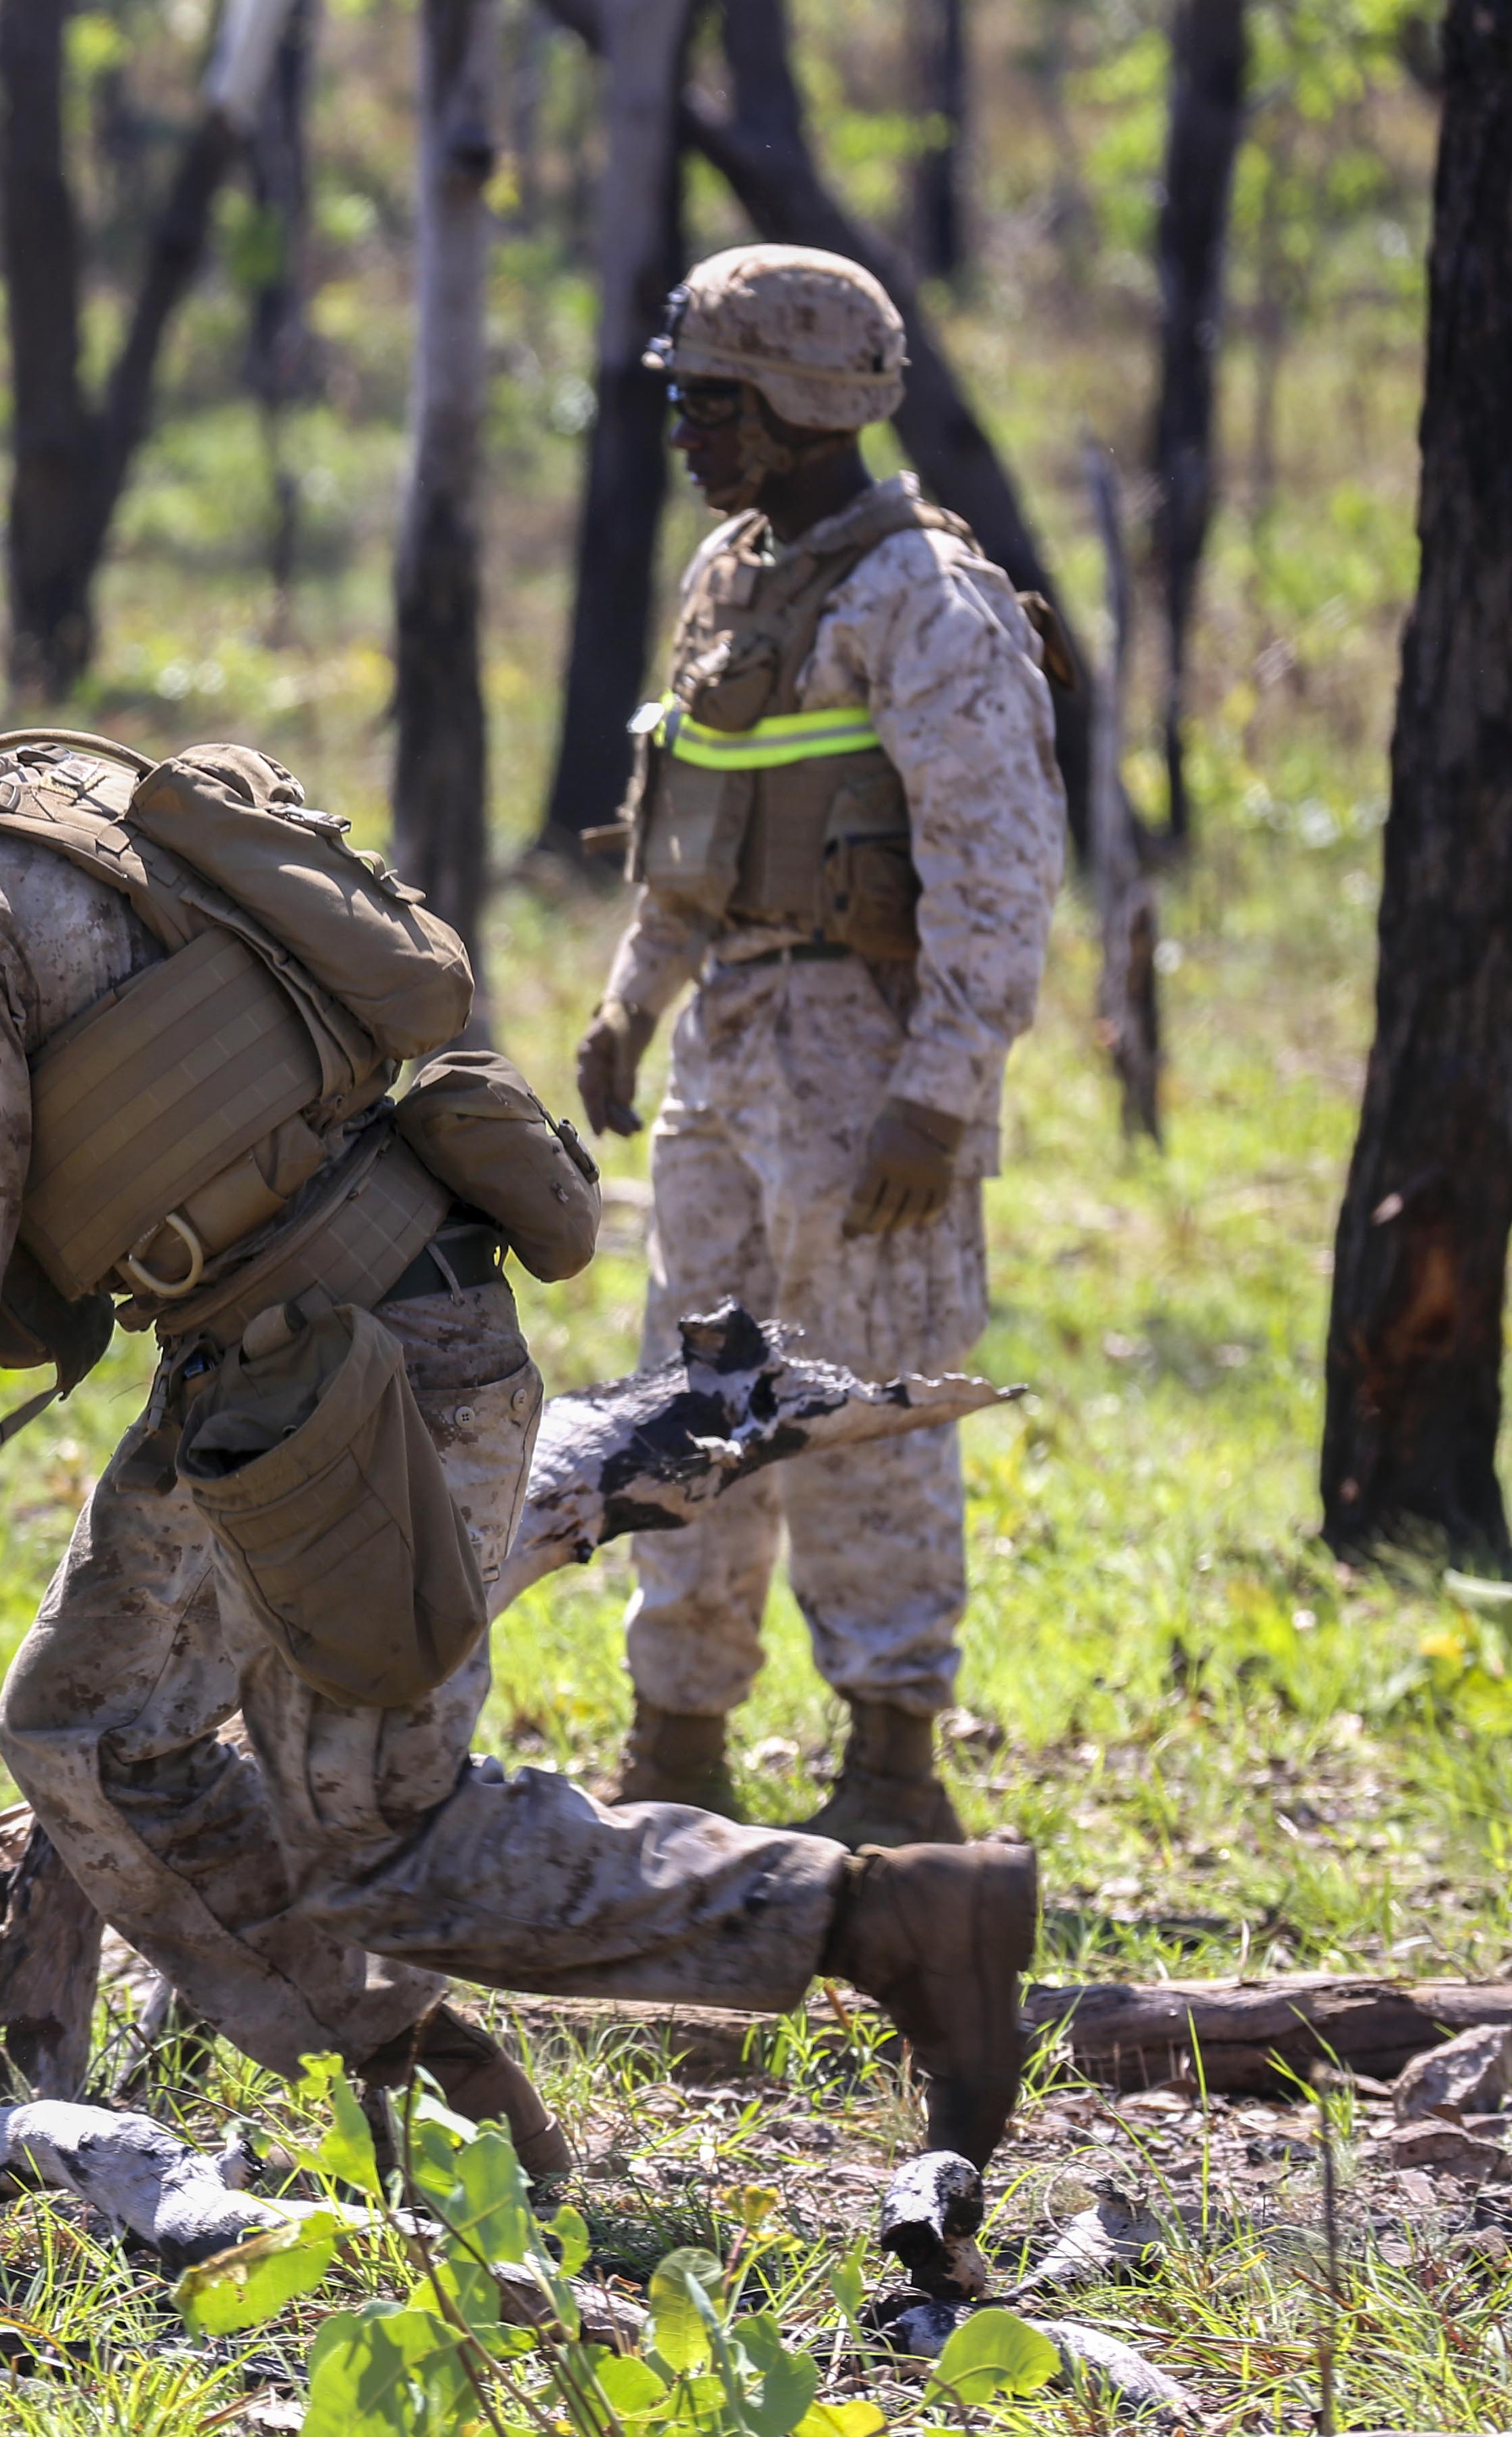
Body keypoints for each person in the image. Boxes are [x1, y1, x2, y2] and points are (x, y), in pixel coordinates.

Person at [0, 558, 1042, 2169]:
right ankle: (394, 2066)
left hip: (357, 1369)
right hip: (294, 1353)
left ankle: (881, 1920)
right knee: (93, 1726)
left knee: (389, 1826)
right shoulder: (54, 787)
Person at [573, 246, 1067, 1849]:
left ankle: (892, 1764)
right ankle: (678, 1743)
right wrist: (630, 1002)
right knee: (688, 1402)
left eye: (709, 400)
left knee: (865, 1410)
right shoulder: (732, 576)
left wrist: (938, 1097)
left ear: (797, 399)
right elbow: (689, 831)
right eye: (679, 397)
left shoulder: (923, 601)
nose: (687, 429)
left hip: (865, 1067)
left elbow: (997, 866)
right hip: (728, 1057)